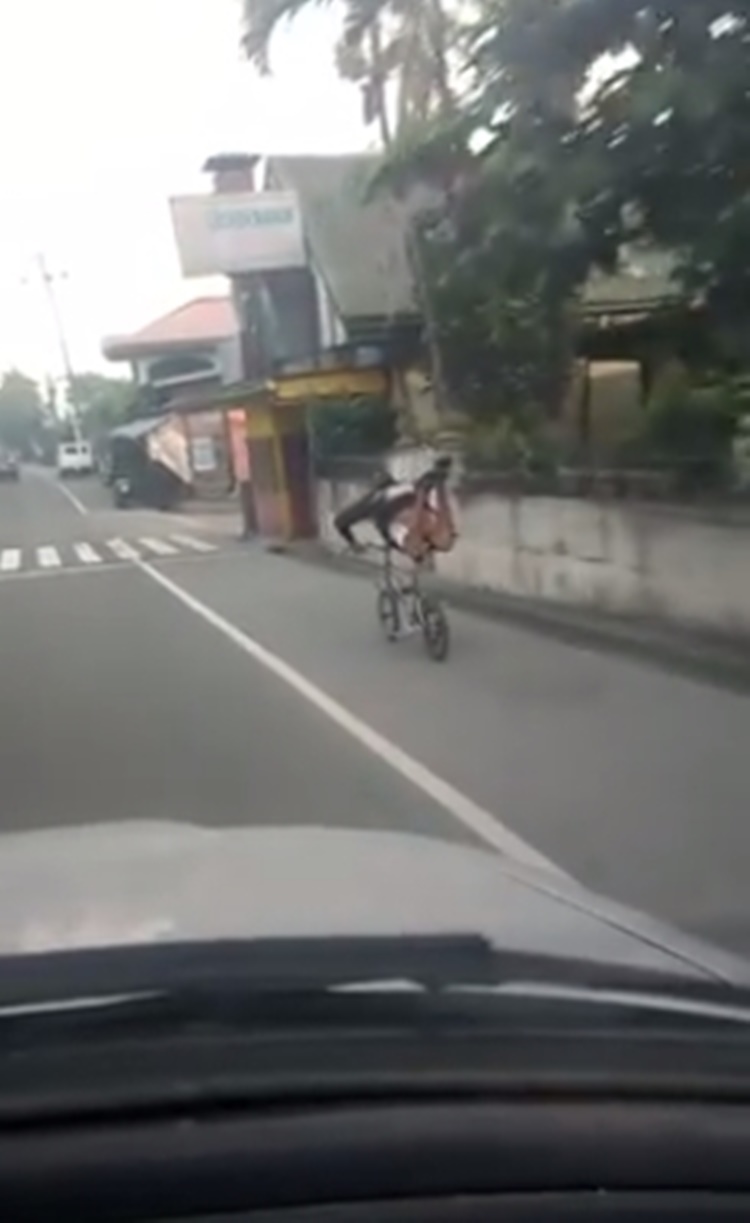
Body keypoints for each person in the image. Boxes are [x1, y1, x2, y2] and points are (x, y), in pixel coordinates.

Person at [334, 455, 457, 562]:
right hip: (414, 513)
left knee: (413, 537)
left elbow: (340, 521)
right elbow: (340, 521)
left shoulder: (374, 498)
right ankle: (436, 489)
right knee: (441, 538)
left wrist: (353, 543)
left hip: (402, 518)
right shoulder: (398, 488)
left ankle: (432, 492)